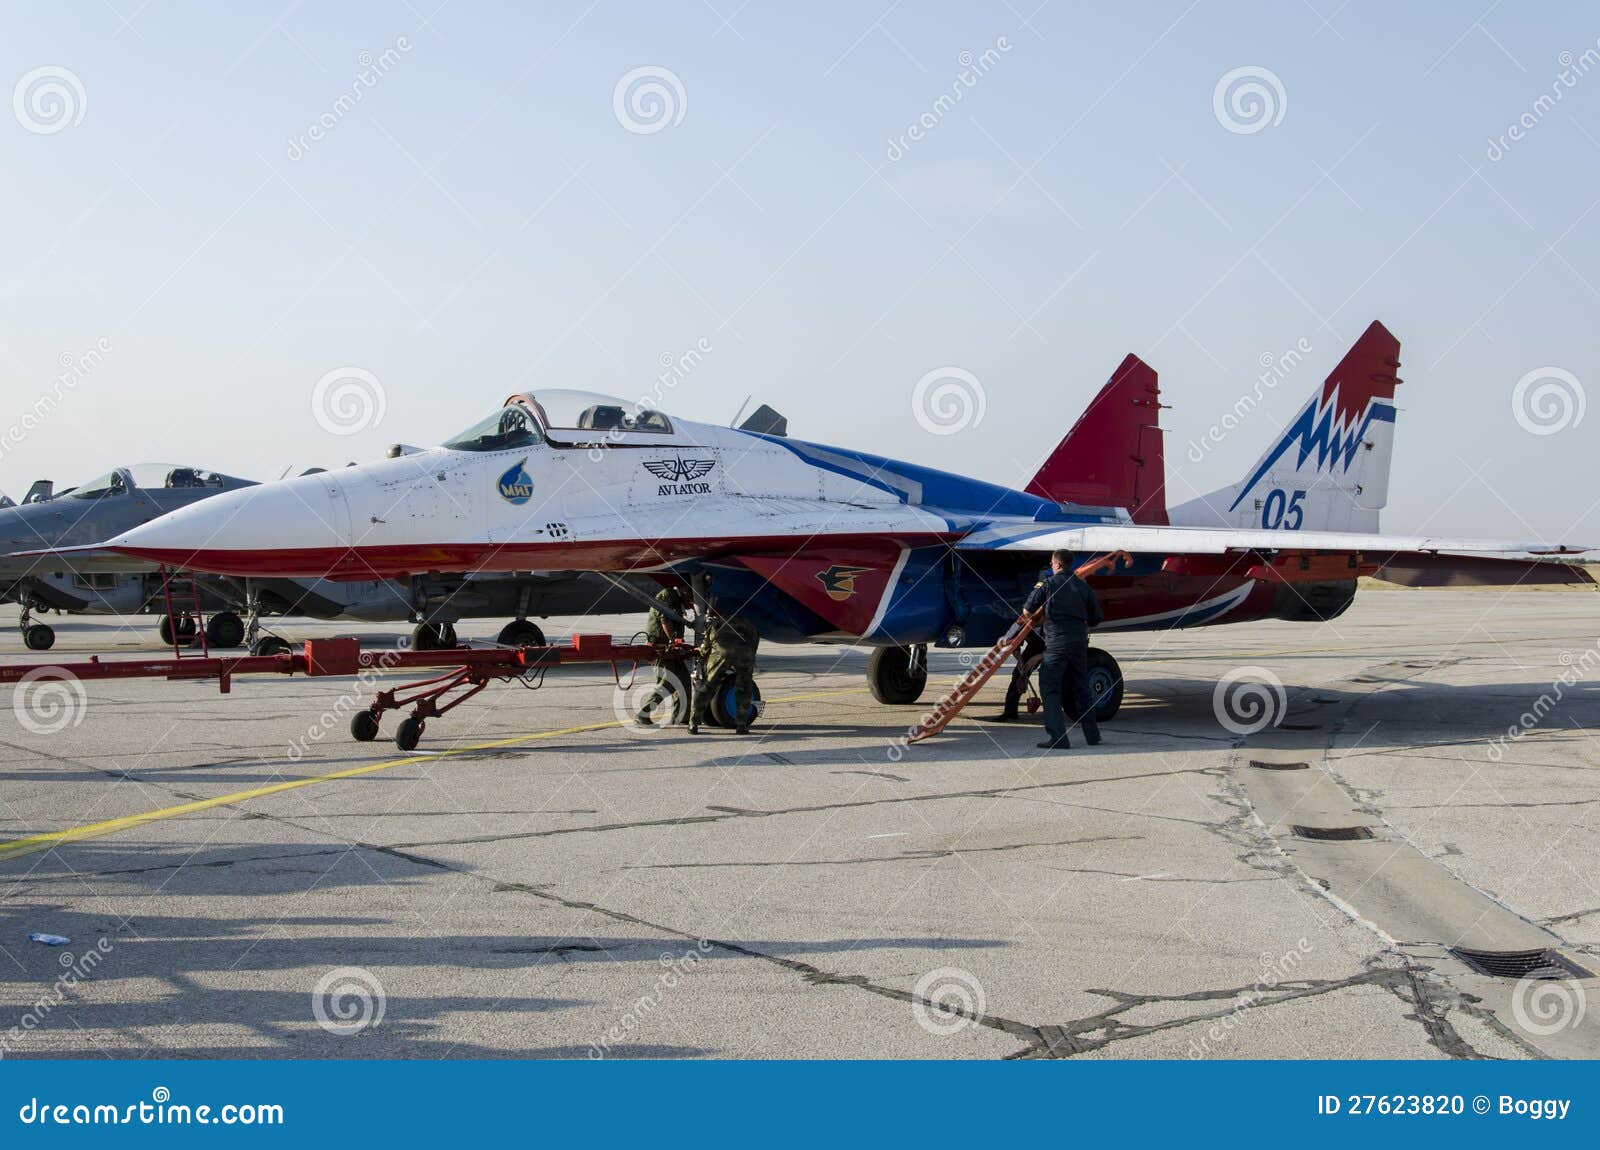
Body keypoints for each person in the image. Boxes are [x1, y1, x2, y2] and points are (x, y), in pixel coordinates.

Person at [1020, 550, 1103, 750]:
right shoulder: (1084, 587)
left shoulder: (1047, 584)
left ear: (1056, 564)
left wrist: (1041, 618)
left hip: (1056, 644)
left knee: (1050, 688)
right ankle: (1092, 736)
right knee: (1081, 689)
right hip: (1078, 644)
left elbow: (1027, 610)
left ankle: (1058, 737)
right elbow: (1096, 618)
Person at [690, 605, 759, 734]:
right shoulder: (749, 624)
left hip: (721, 654)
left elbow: (706, 646)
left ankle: (694, 723)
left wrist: (703, 655)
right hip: (744, 654)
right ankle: (741, 725)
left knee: (707, 686)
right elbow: (755, 643)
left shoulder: (718, 623)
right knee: (744, 688)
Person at [634, 585, 690, 726]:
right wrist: (673, 640)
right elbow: (664, 618)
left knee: (683, 680)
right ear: (685, 590)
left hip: (671, 650)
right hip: (661, 648)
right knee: (667, 682)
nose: (691, 601)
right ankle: (643, 714)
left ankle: (681, 717)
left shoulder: (677, 599)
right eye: (691, 596)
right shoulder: (668, 595)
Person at [997, 627, 1045, 721]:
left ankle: (1053, 712)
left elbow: (1060, 647)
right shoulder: (1024, 625)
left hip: (1054, 651)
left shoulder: (1051, 624)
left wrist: (1038, 658)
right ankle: (1010, 712)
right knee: (1018, 675)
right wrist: (1020, 660)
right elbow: (1015, 644)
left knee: (1050, 680)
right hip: (1034, 648)